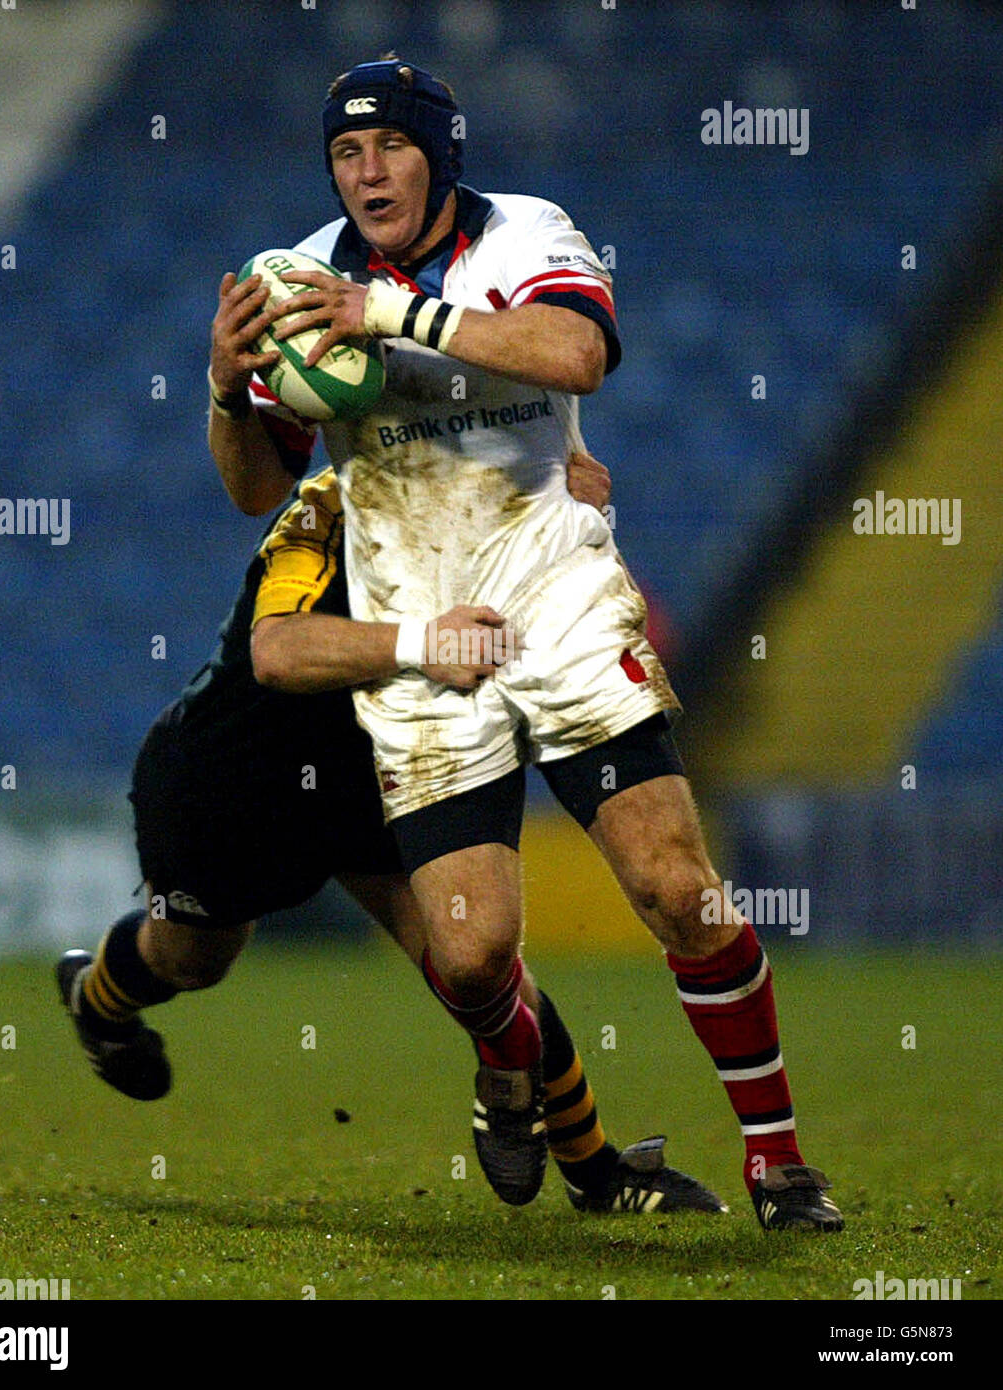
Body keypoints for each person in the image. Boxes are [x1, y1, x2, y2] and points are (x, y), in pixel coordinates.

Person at [206, 54, 843, 1230]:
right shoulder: (298, 277)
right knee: (468, 954)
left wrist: (389, 315)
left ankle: (779, 1160)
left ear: (440, 154)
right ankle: (507, 1069)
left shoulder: (523, 234)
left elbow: (576, 354)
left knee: (677, 887)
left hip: (554, 598)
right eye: (346, 152)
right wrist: (221, 388)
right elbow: (257, 488)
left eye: (391, 146)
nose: (368, 171)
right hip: (423, 632)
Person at [57, 446, 726, 1216]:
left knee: (476, 959)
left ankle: (595, 1169)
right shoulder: (328, 507)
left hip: (367, 783)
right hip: (230, 788)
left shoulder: (508, 513)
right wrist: (425, 643)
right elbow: (278, 652)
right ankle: (97, 1002)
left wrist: (581, 520)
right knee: (192, 959)